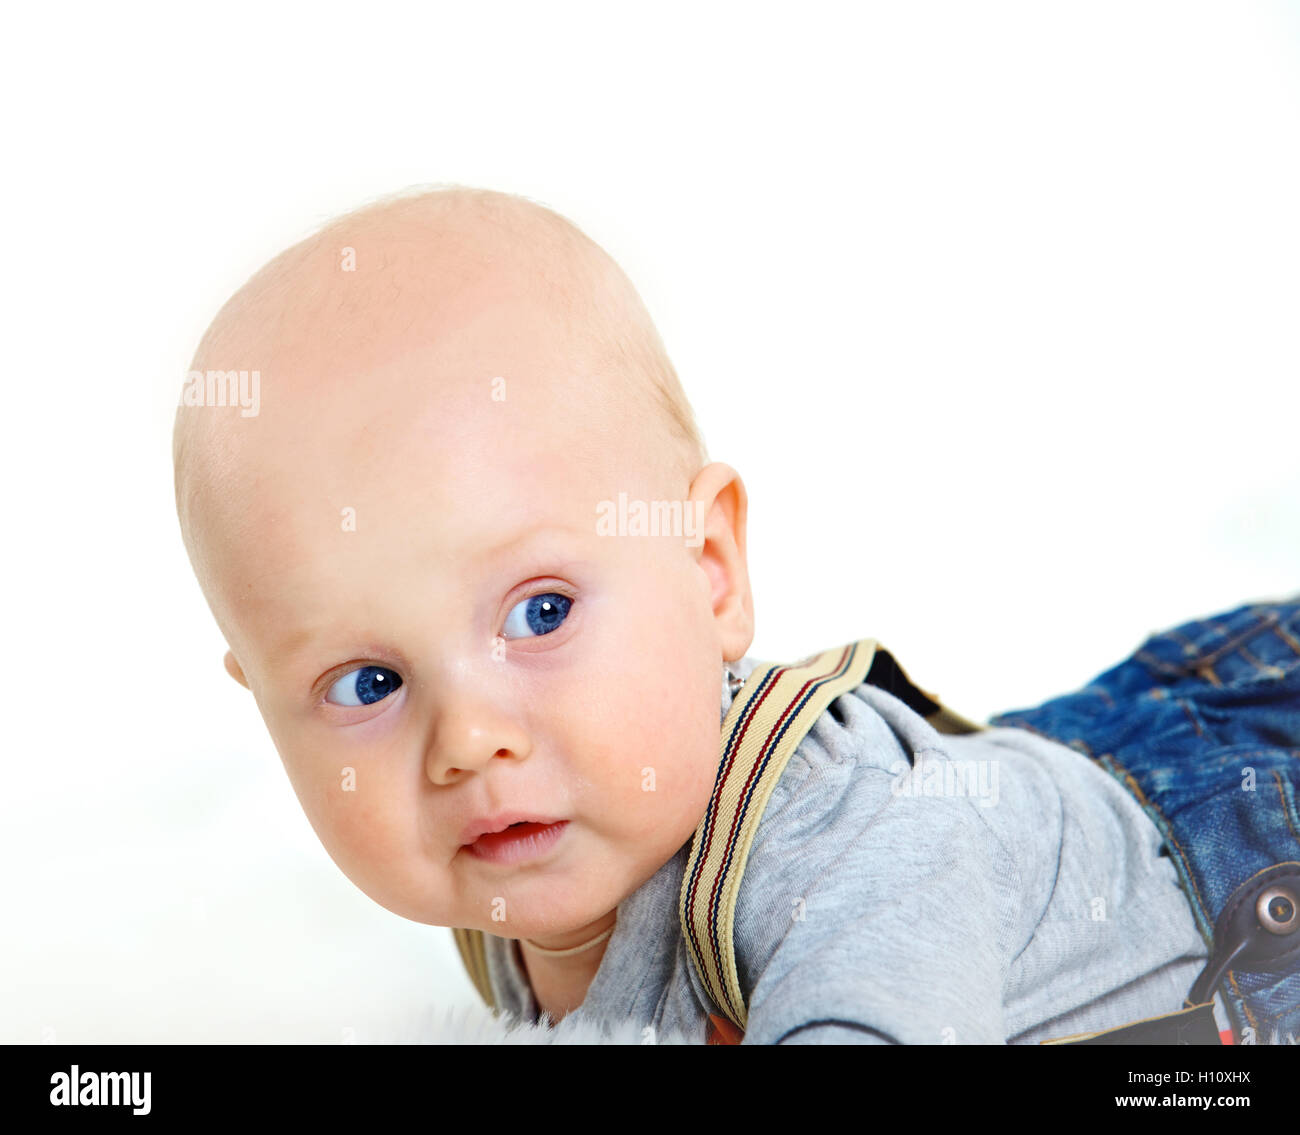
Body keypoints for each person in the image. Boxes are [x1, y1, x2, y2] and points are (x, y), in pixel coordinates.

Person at [171, 185, 1297, 1043]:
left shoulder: (850, 858)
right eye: (370, 683)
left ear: (707, 567)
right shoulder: (521, 874)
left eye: (542, 611)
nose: (469, 739)